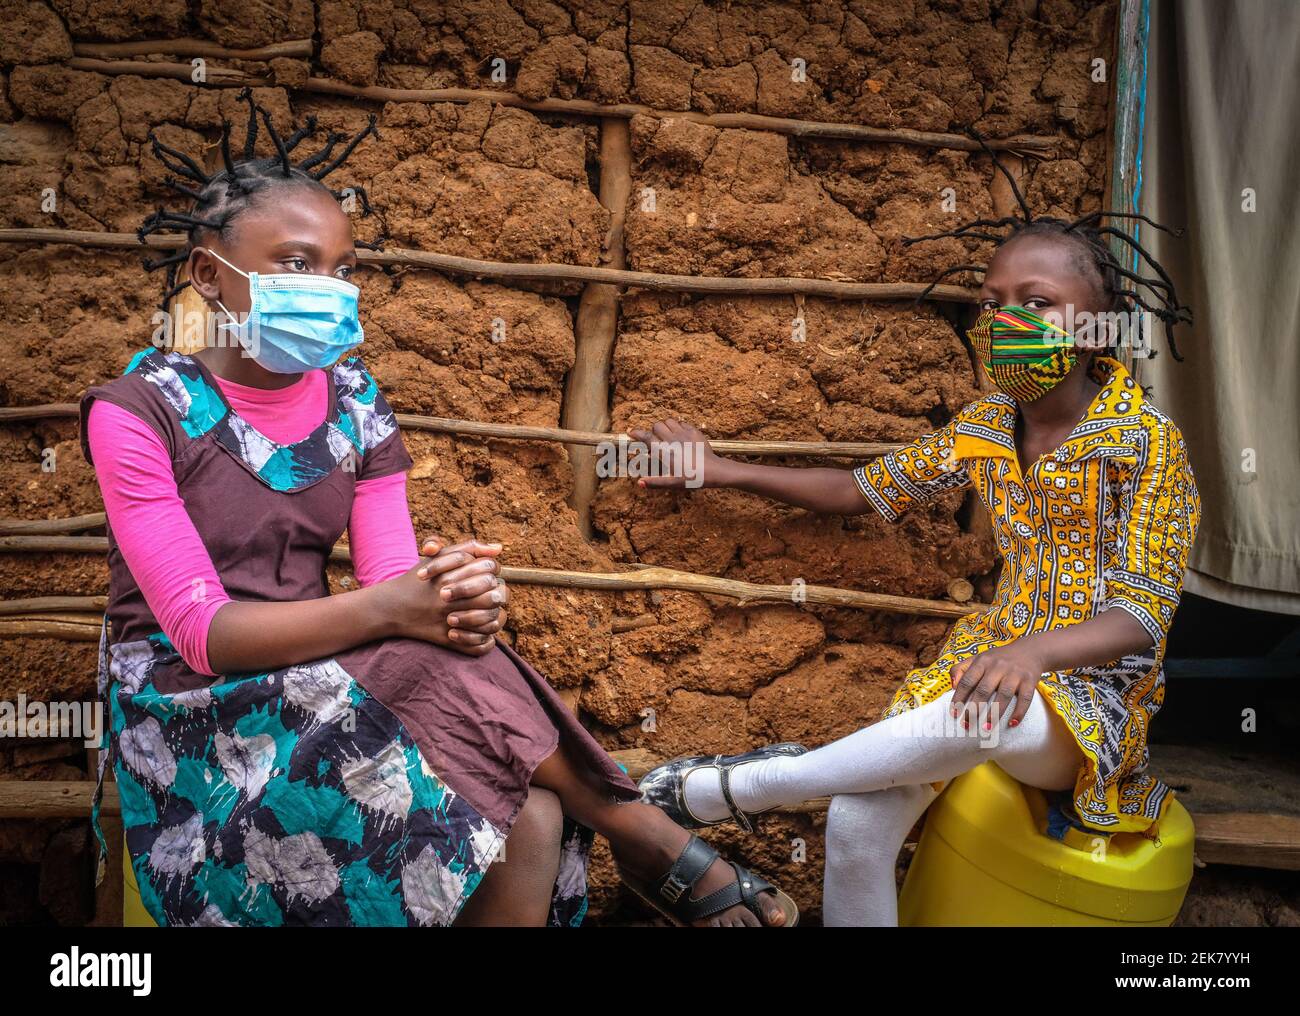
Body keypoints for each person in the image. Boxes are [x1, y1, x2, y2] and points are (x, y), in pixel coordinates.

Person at [82, 93, 797, 927]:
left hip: (327, 676)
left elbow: (395, 580)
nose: (328, 288)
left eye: (341, 269)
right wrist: (402, 607)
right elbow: (205, 632)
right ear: (211, 275)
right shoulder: (138, 410)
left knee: (525, 808)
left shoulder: (354, 403)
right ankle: (645, 830)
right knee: (425, 660)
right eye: (297, 264)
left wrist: (453, 600)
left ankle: (637, 832)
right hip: (193, 706)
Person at [633, 191, 1200, 926]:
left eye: (1038, 302)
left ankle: (736, 790)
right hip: (987, 665)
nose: (1007, 322)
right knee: (856, 826)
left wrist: (1031, 655)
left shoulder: (1145, 441)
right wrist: (723, 469)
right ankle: (748, 787)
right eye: (993, 303)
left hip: (1092, 704)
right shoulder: (985, 426)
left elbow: (1142, 614)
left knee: (984, 715)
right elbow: (859, 490)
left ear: (1095, 328)